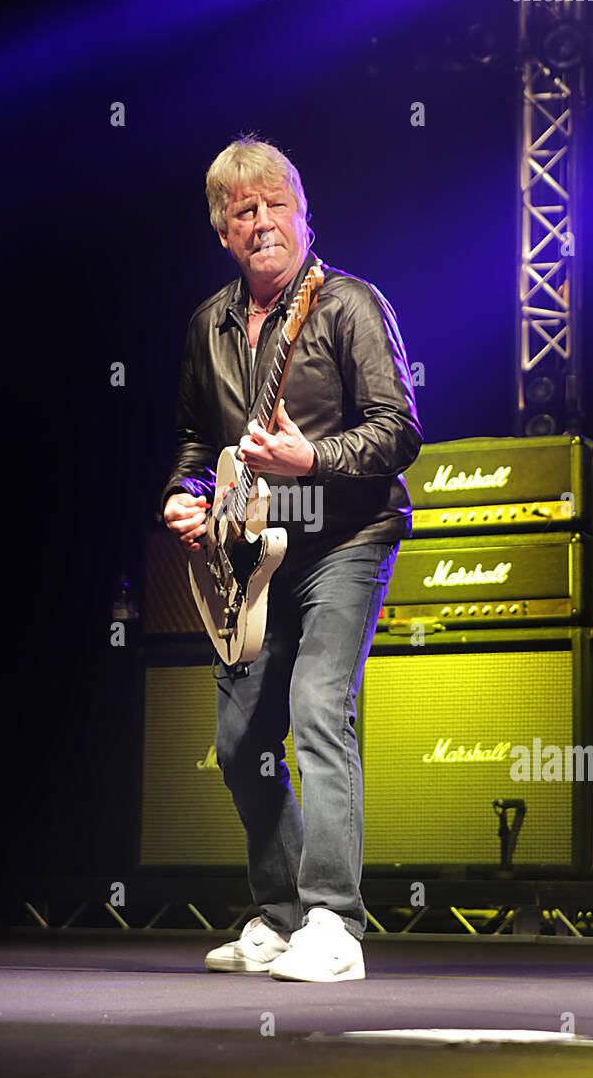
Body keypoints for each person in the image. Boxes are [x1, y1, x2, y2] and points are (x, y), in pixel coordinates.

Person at [159, 134, 422, 981]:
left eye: (277, 205)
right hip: (253, 557)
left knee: (316, 709)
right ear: (224, 233)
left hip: (346, 537)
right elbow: (200, 439)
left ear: (303, 215)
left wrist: (311, 460)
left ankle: (335, 924)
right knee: (239, 743)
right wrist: (187, 494)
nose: (263, 221)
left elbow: (399, 432)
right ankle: (280, 914)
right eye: (245, 211)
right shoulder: (209, 324)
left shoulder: (348, 305)